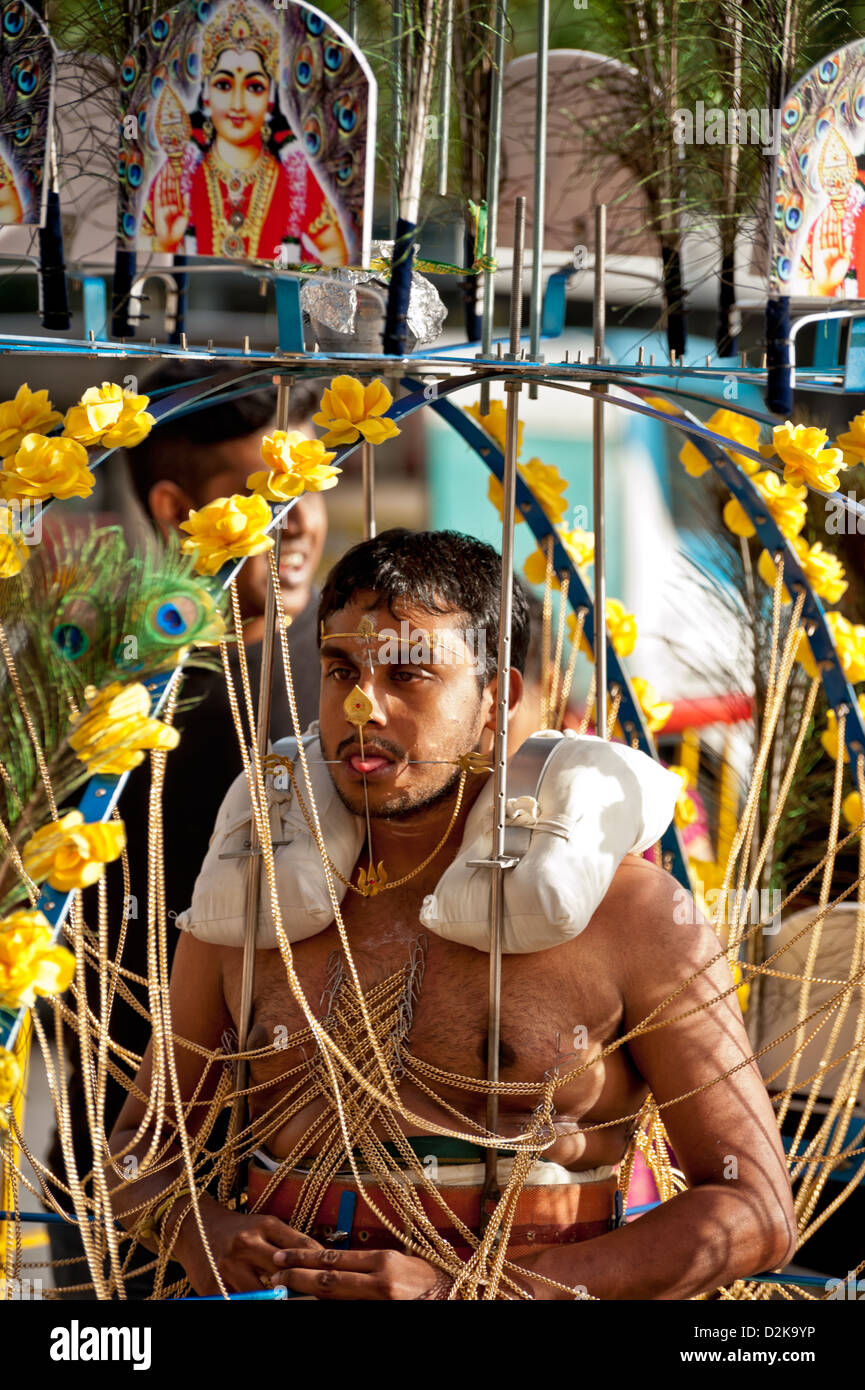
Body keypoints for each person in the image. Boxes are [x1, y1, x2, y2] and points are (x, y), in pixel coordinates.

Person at [111, 529, 796, 1300]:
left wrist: (464, 1293)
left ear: (495, 700)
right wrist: (197, 1228)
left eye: (409, 674)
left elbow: (755, 1210)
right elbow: (138, 1151)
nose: (363, 707)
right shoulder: (256, 895)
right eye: (342, 671)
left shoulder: (631, 916)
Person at [46, 363, 327, 1296]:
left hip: (309, 1140)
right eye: (257, 495)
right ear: (173, 507)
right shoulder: (99, 702)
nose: (293, 522)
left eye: (304, 488)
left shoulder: (347, 679)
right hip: (126, 1140)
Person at [143, 0, 348, 263]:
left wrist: (301, 283)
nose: (237, 104)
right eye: (224, 85)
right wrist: (165, 242)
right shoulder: (177, 177)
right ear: (206, 93)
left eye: (254, 87)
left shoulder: (296, 179)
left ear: (270, 98)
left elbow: (337, 252)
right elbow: (133, 258)